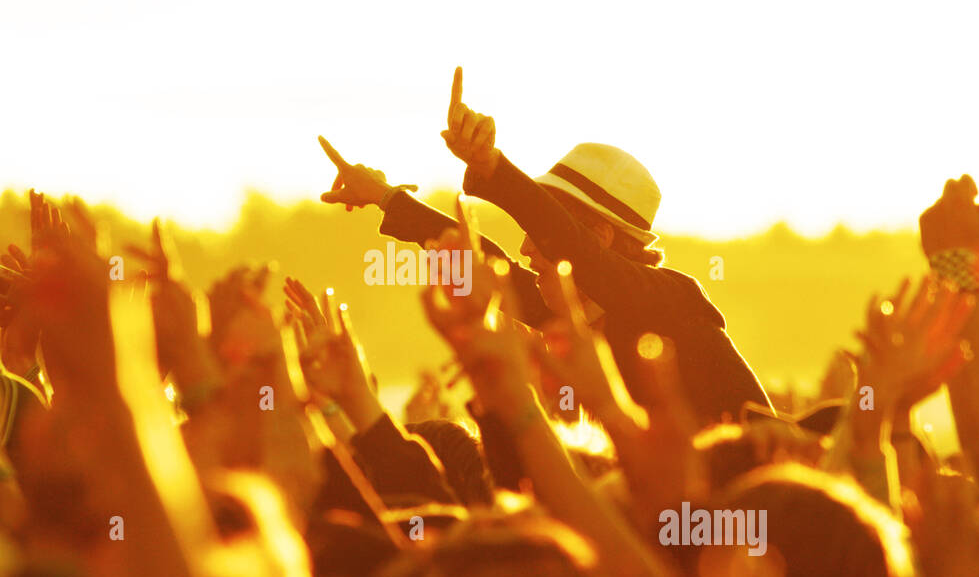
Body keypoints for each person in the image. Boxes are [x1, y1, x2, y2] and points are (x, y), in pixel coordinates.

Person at [317, 68, 770, 425]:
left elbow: (572, 249)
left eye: (539, 230)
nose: (526, 250)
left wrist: (491, 166)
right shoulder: (581, 311)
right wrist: (386, 197)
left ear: (599, 238)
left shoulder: (669, 301)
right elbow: (484, 263)